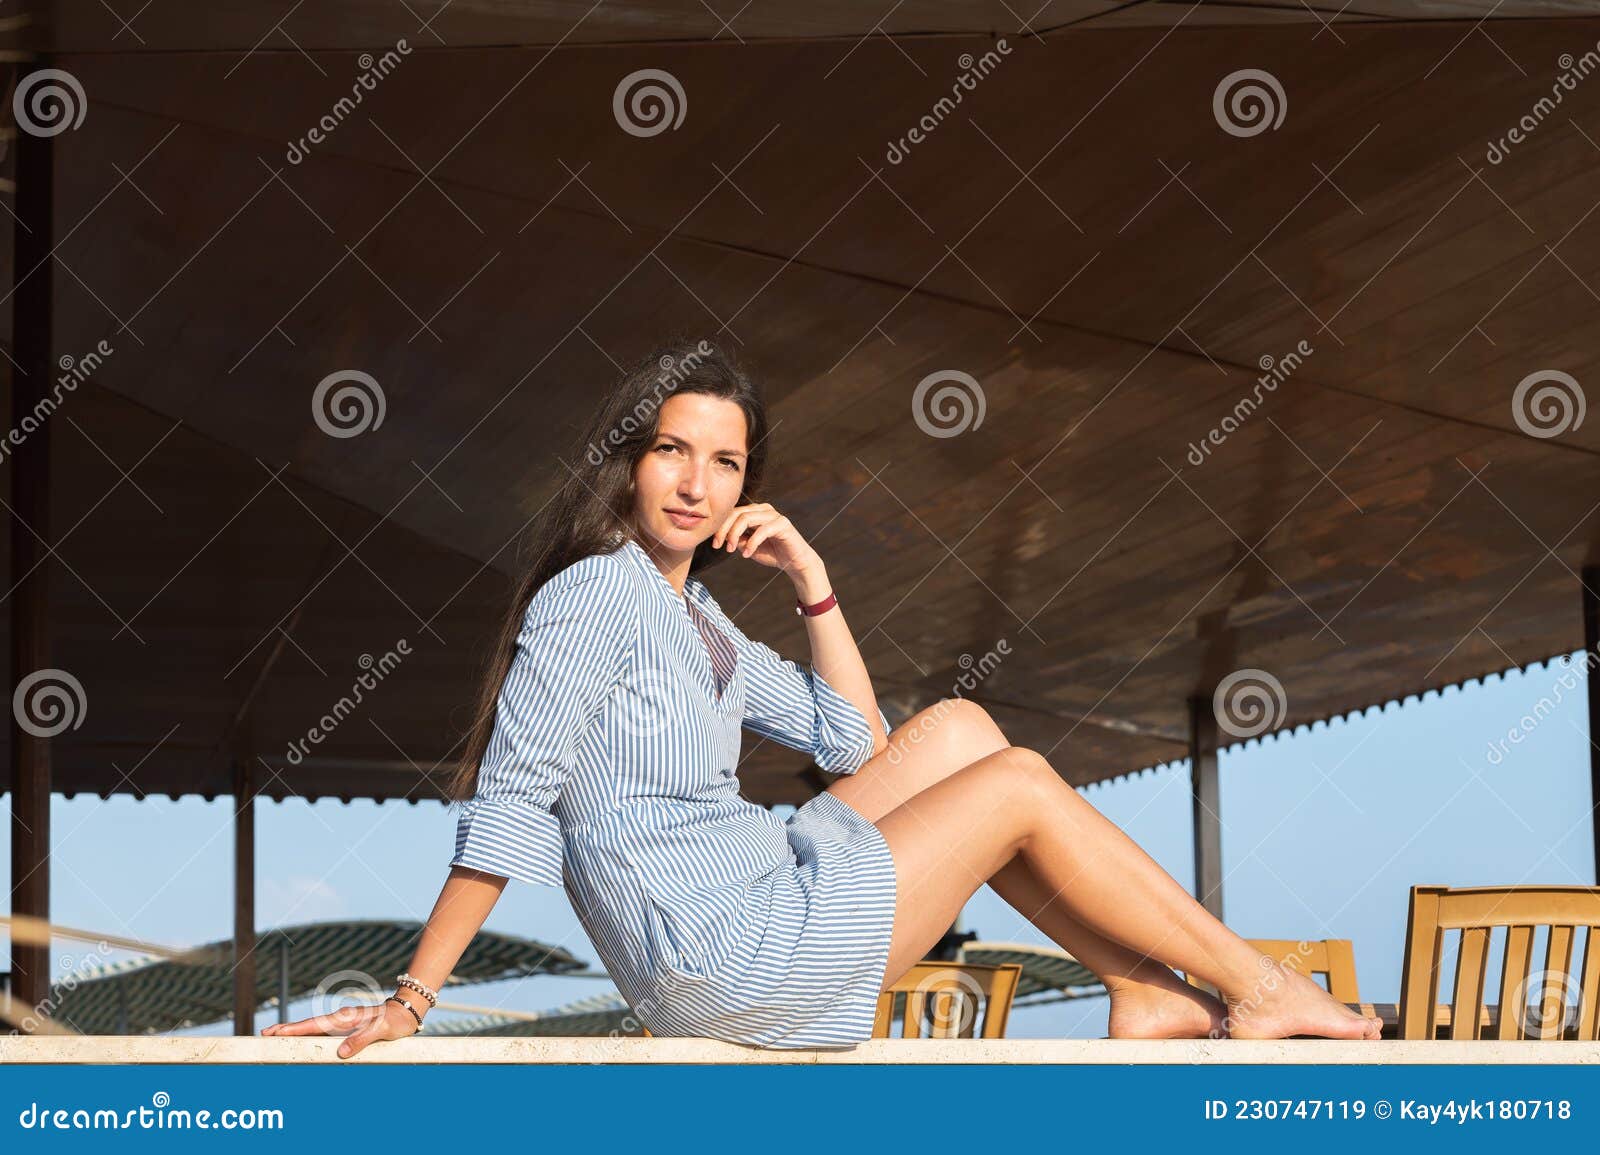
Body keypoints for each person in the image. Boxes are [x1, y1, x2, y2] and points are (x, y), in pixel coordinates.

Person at [264, 337, 1383, 1056]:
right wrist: (411, 999)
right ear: (629, 463)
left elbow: (859, 745)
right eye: (672, 452)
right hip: (722, 949)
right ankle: (1253, 984)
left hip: (762, 889)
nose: (699, 484)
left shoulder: (695, 619)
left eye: (729, 464)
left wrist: (813, 582)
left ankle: (1140, 990)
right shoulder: (593, 597)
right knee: (1019, 786)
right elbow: (511, 802)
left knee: (966, 735)